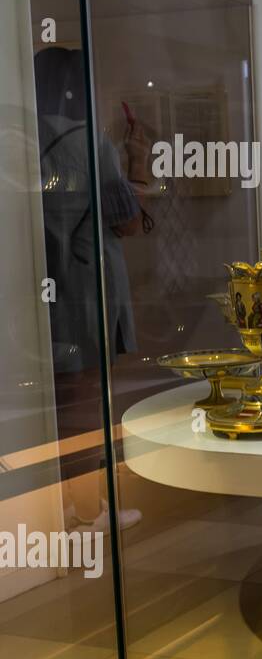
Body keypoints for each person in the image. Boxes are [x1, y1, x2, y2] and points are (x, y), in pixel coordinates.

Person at [35, 46, 145, 532]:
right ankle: (90, 510)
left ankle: (64, 507)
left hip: (49, 288)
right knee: (89, 405)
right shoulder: (92, 141)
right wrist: (136, 161)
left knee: (62, 404)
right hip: (91, 286)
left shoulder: (25, 136)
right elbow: (125, 223)